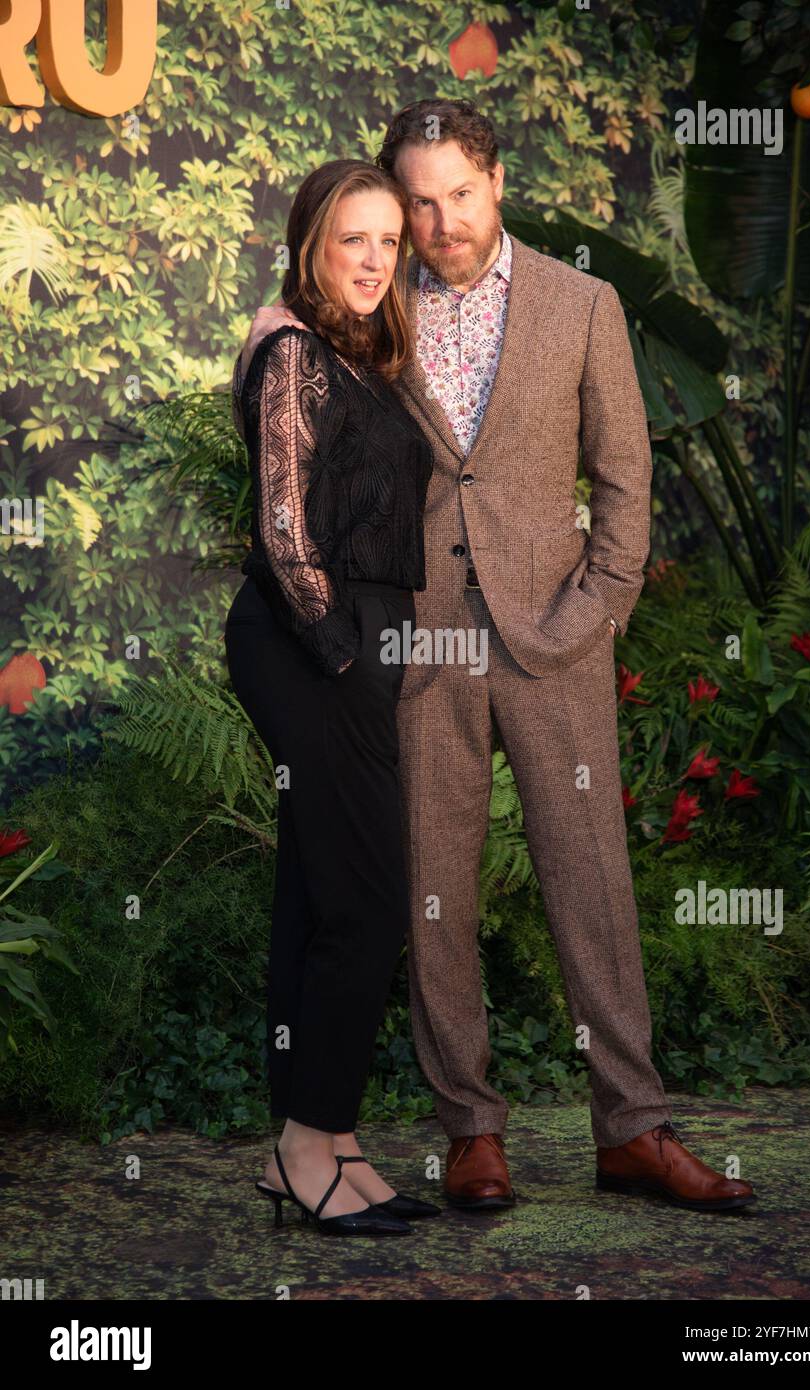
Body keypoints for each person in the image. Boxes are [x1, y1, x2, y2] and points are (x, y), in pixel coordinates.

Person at [238, 99, 756, 1216]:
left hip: (553, 634)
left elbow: (623, 480)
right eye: (418, 203)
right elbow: (298, 396)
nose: (441, 223)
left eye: (460, 194)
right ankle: (470, 1129)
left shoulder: (583, 304)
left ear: (497, 182)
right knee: (433, 894)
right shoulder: (373, 312)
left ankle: (634, 1126)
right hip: (418, 643)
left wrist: (595, 611)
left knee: (592, 882)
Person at [225, 158, 440, 1235]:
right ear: (312, 241)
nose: (374, 259)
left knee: (317, 895)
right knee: (367, 899)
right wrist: (343, 654)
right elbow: (281, 525)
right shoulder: (292, 351)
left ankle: (322, 1141)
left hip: (356, 637)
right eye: (354, 237)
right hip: (313, 641)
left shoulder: (358, 358)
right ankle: (309, 1141)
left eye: (388, 242)